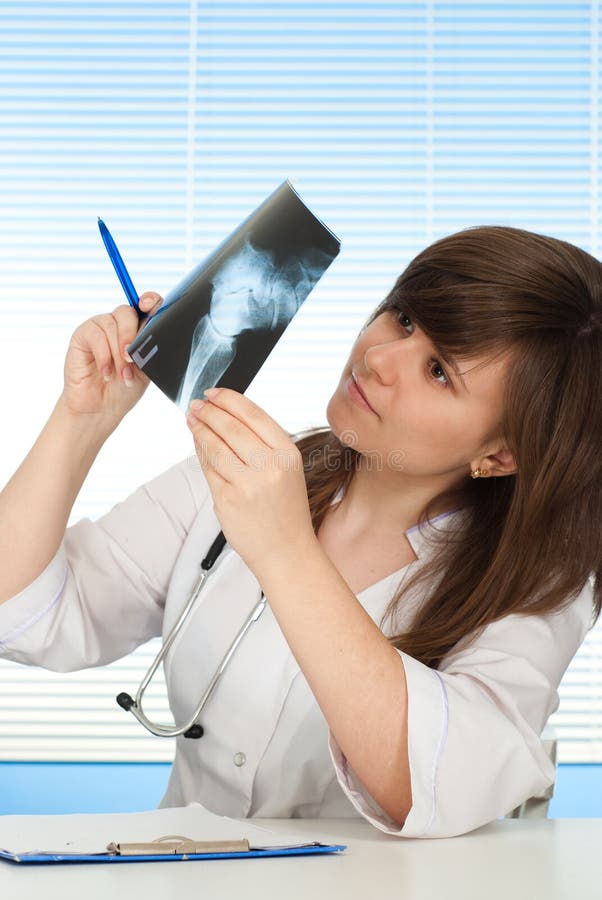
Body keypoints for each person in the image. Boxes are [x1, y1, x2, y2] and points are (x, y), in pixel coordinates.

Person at [0, 225, 600, 839]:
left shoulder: (539, 585)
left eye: (439, 371)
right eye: (403, 319)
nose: (379, 358)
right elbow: (22, 615)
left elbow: (434, 783)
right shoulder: (243, 473)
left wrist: (284, 548)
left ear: (500, 455)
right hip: (179, 872)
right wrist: (82, 420)